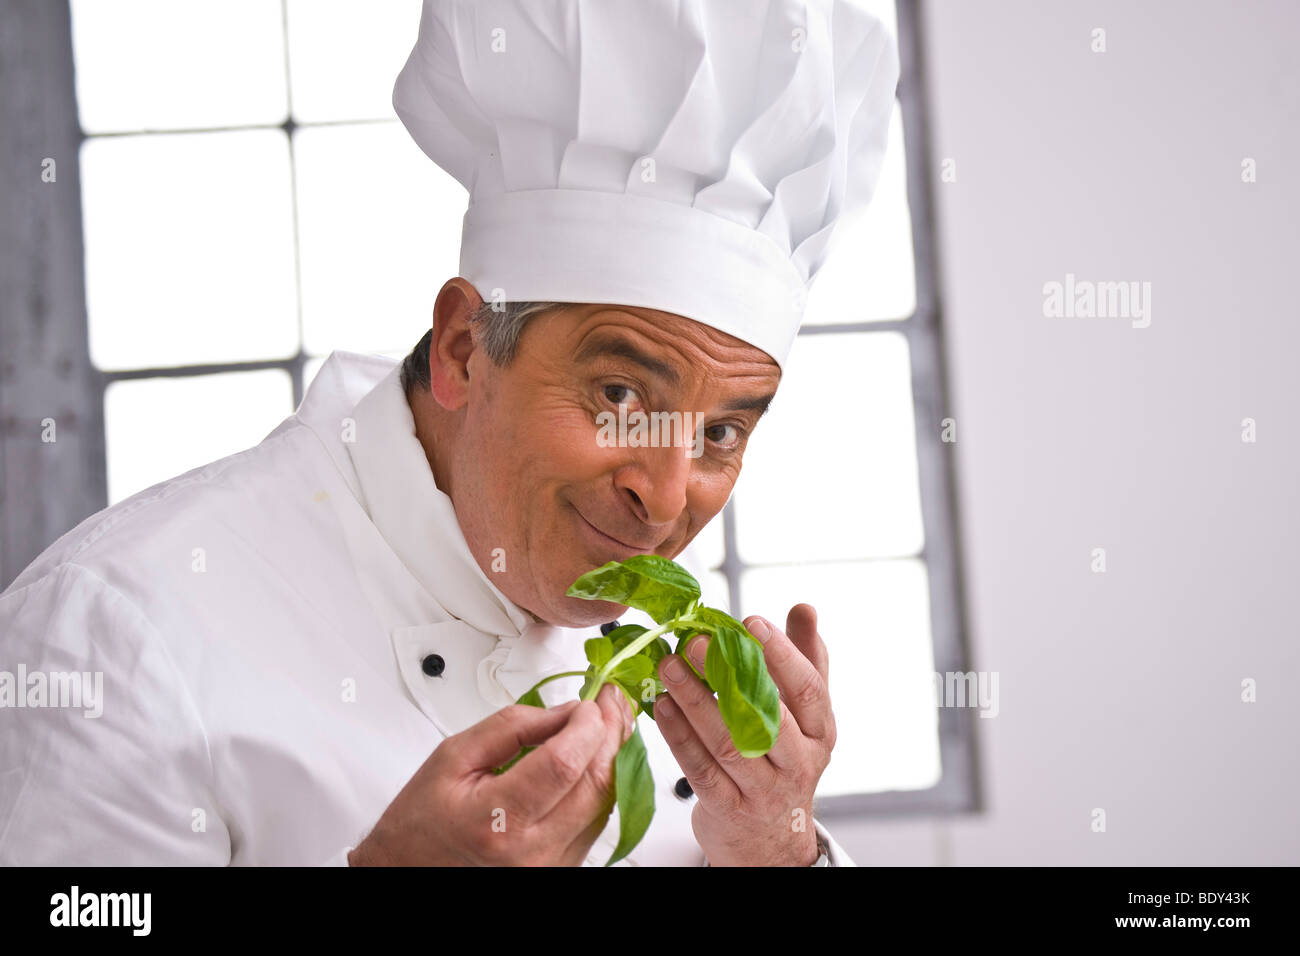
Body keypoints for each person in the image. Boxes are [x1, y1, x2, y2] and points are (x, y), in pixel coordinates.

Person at [0, 0, 899, 866]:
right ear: (466, 348)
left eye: (718, 434)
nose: (666, 499)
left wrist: (775, 849)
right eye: (620, 392)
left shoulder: (679, 678)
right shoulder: (111, 634)